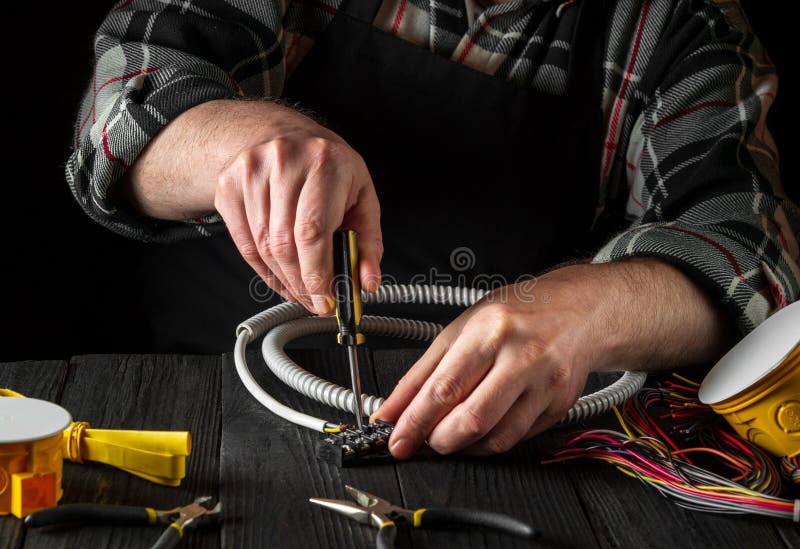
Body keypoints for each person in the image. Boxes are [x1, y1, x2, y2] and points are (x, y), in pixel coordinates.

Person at [67, 0, 799, 459]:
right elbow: (123, 108)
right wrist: (239, 143)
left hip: (501, 450)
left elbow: (750, 249)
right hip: (200, 414)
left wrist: (575, 311)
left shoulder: (680, 23)